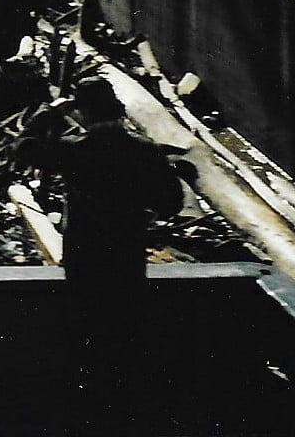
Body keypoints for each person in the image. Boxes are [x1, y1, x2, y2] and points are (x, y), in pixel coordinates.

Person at [15, 77, 186, 434]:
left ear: (83, 112)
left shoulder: (74, 150)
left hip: (84, 258)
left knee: (85, 333)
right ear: (118, 109)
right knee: (125, 333)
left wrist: (50, 112)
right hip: (126, 257)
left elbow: (24, 149)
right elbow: (172, 202)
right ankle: (125, 412)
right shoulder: (145, 150)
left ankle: (88, 412)